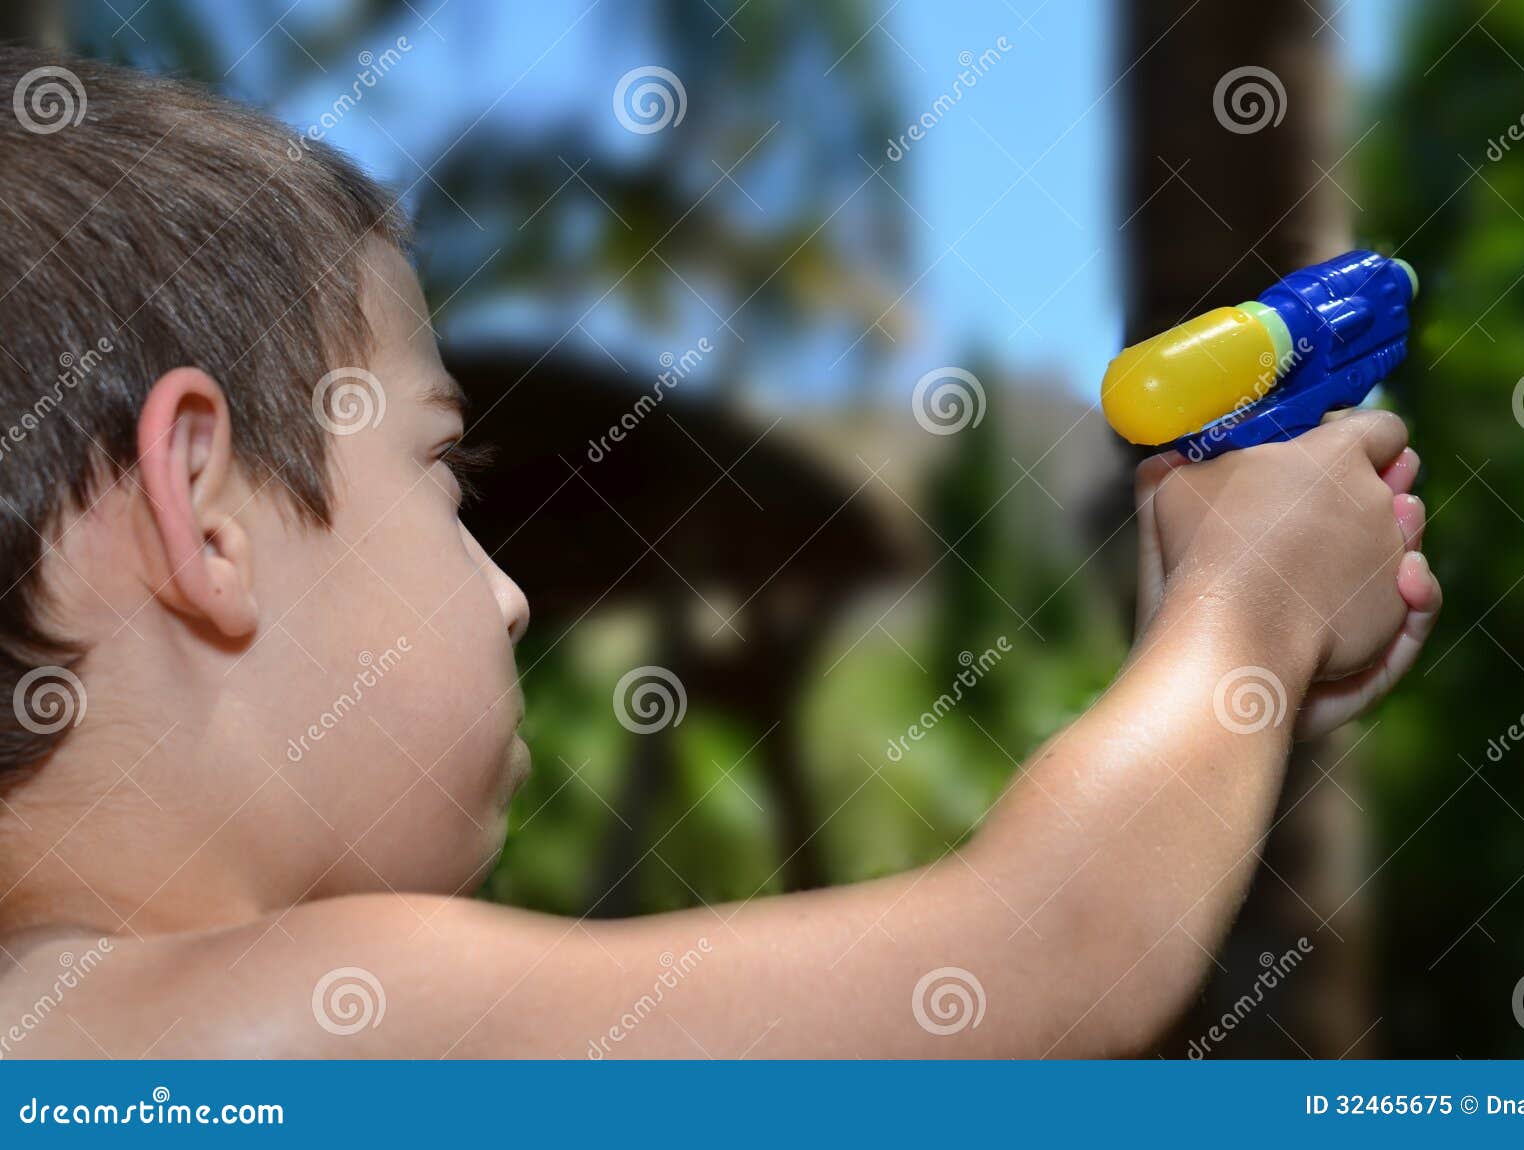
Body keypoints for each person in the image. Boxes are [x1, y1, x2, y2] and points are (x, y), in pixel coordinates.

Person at [0, 47, 1439, 1058]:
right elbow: (1055, 957)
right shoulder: (300, 1023)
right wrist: (1243, 621)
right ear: (203, 507)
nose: (507, 594)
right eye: (445, 470)